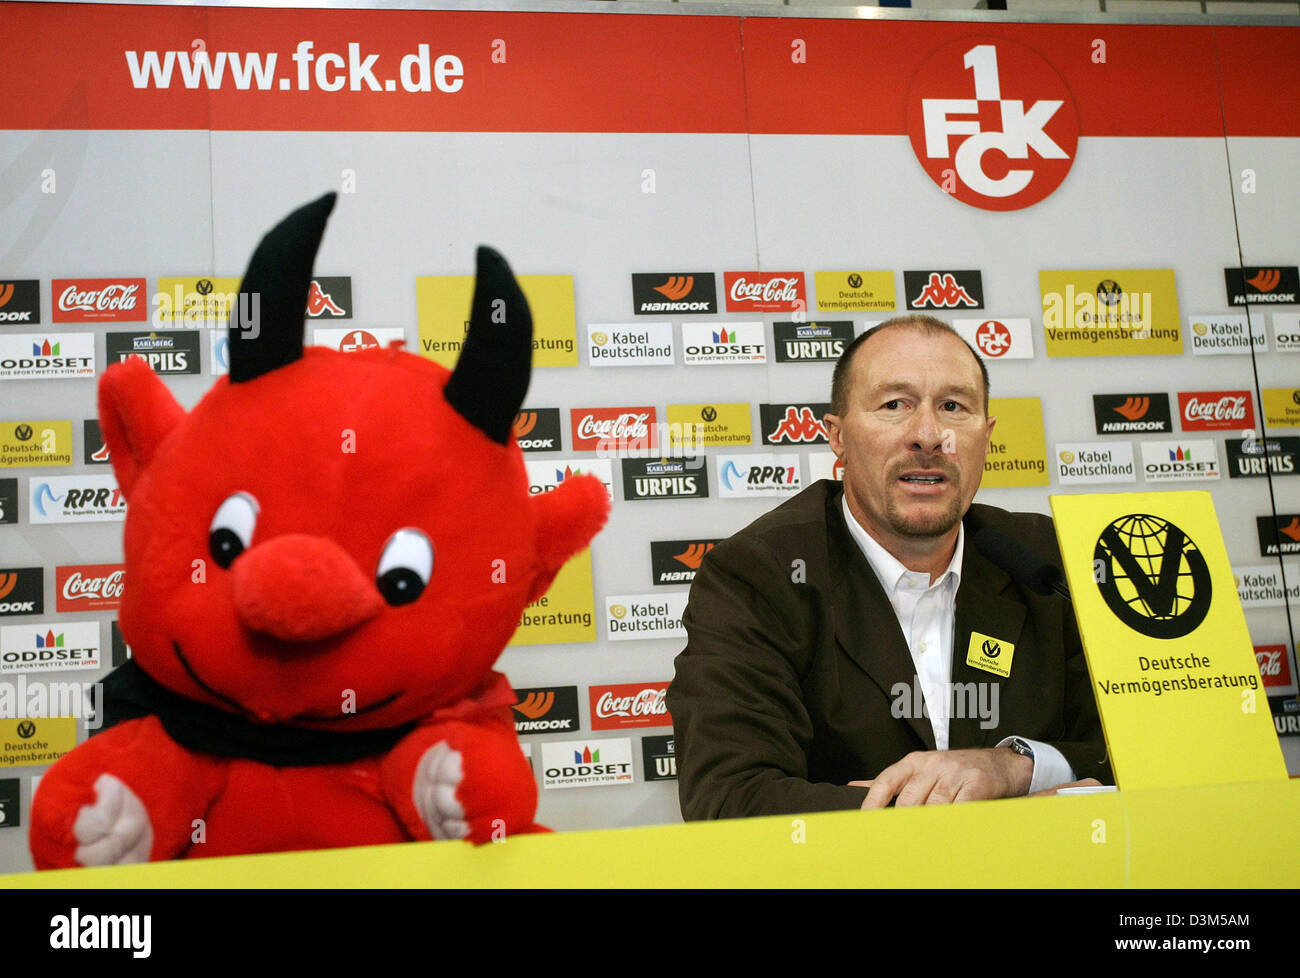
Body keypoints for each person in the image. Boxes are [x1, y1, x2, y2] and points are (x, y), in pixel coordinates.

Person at [666, 314, 1110, 819]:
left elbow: (1152, 752)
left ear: (986, 437)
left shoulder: (1054, 561)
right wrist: (966, 818)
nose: (928, 435)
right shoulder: (759, 575)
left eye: (953, 406)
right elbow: (730, 798)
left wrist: (1014, 768)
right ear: (837, 436)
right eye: (894, 405)